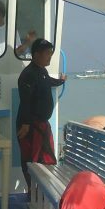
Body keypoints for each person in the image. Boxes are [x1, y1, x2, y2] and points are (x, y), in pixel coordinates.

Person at [16, 38, 66, 191]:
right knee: (31, 161)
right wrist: (25, 125)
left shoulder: (42, 71)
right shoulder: (28, 74)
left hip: (42, 125)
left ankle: (42, 193)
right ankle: (33, 193)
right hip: (30, 126)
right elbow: (25, 101)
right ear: (36, 54)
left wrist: (60, 81)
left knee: (46, 161)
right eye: (47, 54)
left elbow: (48, 81)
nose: (50, 56)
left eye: (51, 53)